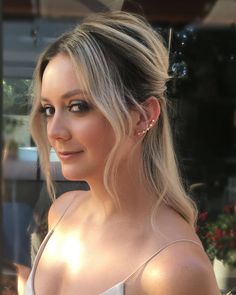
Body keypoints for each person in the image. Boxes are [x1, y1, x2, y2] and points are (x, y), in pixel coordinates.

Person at [24, 11, 219, 295]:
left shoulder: (174, 269)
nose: (54, 131)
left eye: (78, 106)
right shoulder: (62, 212)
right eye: (49, 109)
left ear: (142, 116)